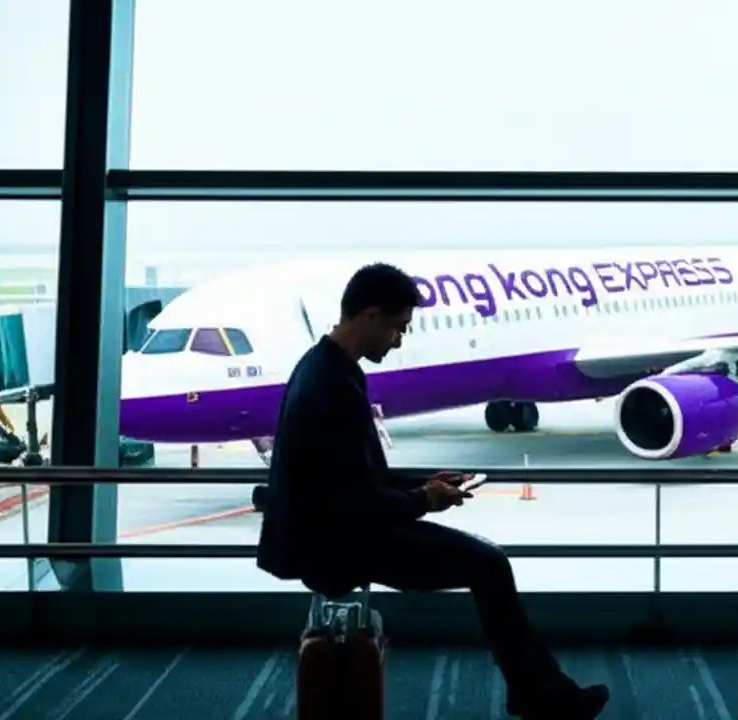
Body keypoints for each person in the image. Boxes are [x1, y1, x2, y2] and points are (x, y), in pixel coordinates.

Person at [256, 263, 609, 719]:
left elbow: (353, 476)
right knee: (490, 566)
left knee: (487, 566)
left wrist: (422, 484)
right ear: (370, 316)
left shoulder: (320, 366)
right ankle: (542, 697)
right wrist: (425, 500)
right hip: (339, 546)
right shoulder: (335, 387)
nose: (399, 341)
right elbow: (356, 502)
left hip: (328, 531)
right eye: (398, 328)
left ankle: (537, 692)